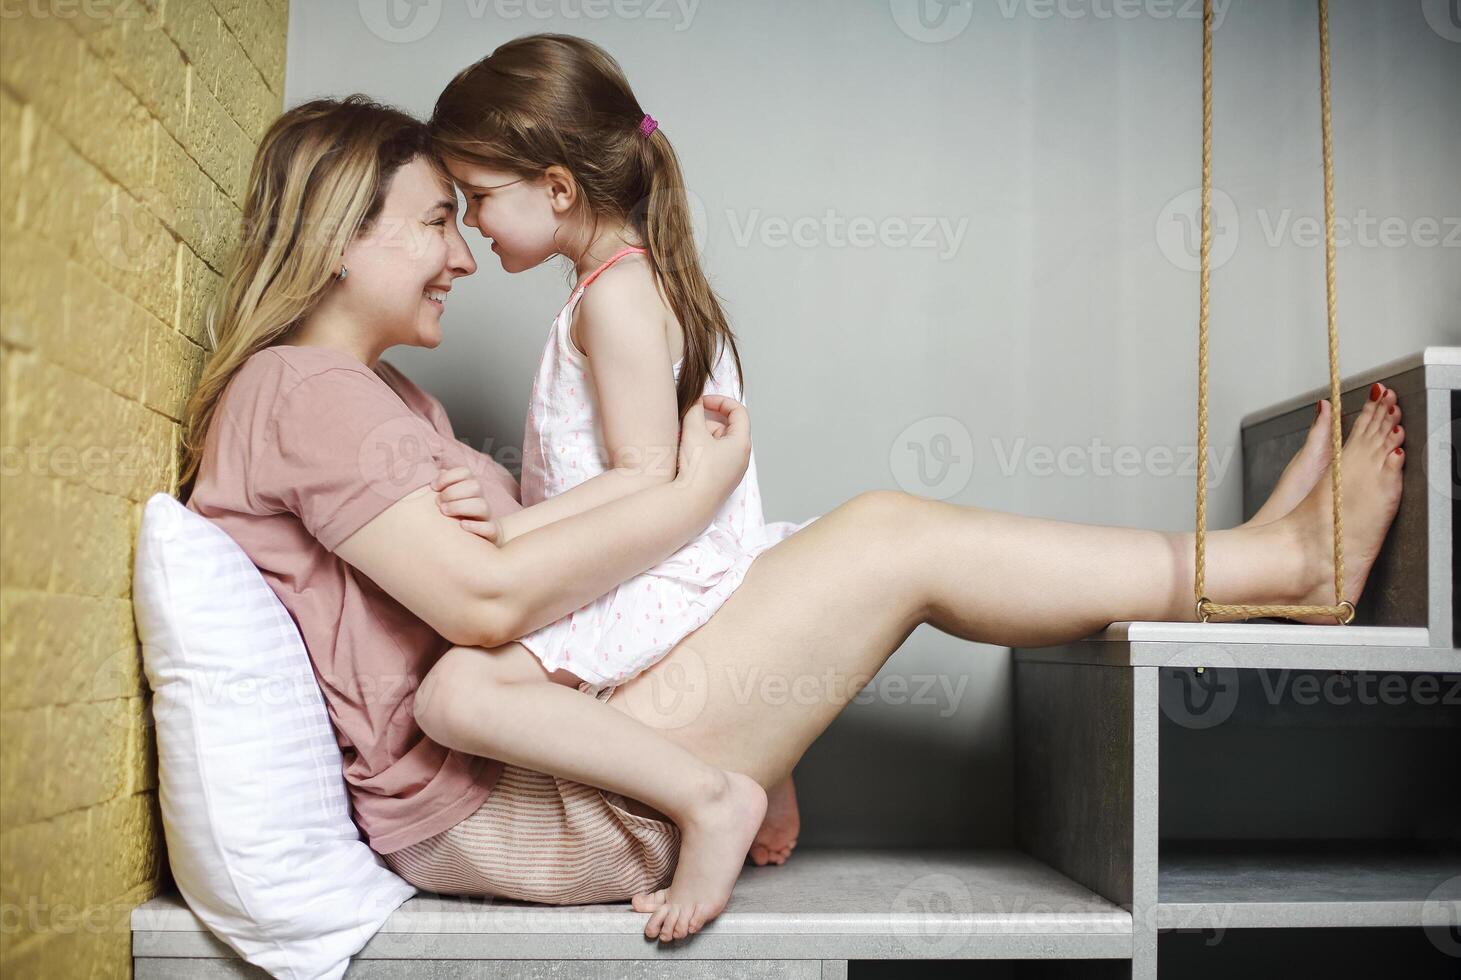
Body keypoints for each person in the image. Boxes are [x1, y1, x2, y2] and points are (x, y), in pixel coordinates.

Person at [181, 93, 1407, 946]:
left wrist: (502, 507)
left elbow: (524, 563)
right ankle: (1273, 559)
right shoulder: (301, 391)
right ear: (342, 243)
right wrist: (693, 496)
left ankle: (1257, 560)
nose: (457, 251)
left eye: (465, 214)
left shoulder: (378, 394)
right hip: (503, 809)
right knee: (891, 537)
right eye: (433, 220)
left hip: (540, 754)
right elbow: (489, 599)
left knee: (866, 533)